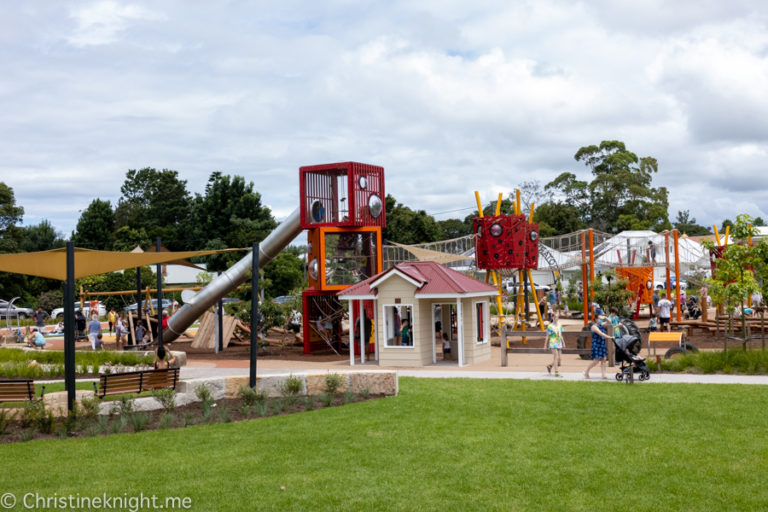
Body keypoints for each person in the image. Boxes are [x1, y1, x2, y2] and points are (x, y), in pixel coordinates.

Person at [545, 311, 564, 377]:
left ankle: (550, 366)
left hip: (559, 342)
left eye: (558, 317)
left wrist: (563, 343)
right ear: (552, 317)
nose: (557, 318)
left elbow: (561, 334)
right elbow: (547, 336)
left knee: (559, 358)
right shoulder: (550, 326)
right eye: (555, 317)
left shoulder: (560, 325)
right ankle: (556, 372)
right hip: (553, 342)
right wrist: (545, 345)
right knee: (556, 357)